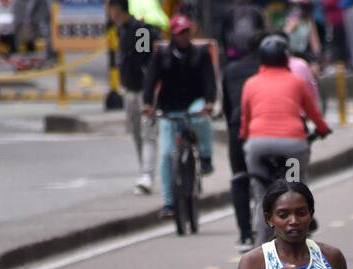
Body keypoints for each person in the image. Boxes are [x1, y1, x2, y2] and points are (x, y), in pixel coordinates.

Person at [241, 35, 332, 205]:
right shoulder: (296, 82)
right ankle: (301, 207)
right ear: (286, 58)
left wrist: (245, 135)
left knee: (261, 195)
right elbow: (313, 113)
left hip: (258, 145)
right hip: (292, 145)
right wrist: (323, 129)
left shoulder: (250, 83)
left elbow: (246, 119)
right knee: (297, 183)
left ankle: (262, 213)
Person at [142, 15, 216, 220]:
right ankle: (168, 203)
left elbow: (209, 80)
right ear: (173, 34)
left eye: (186, 32)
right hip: (169, 109)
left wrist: (210, 102)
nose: (183, 37)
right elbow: (150, 80)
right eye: (179, 33)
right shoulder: (162, 55)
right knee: (166, 154)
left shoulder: (201, 54)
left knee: (202, 119)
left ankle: (206, 156)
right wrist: (147, 103)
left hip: (194, 104)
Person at [110, 0, 161, 195]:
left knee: (148, 133)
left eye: (112, 10)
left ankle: (147, 174)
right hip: (130, 90)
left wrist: (149, 92)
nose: (111, 15)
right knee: (137, 133)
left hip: (143, 91)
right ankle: (144, 171)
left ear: (118, 10)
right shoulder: (121, 30)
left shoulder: (140, 30)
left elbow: (144, 63)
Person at [224, 33, 264, 250]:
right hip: (261, 130)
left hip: (236, 128)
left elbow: (227, 105)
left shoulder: (231, 70)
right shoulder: (267, 71)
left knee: (240, 178)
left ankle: (245, 234)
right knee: (269, 178)